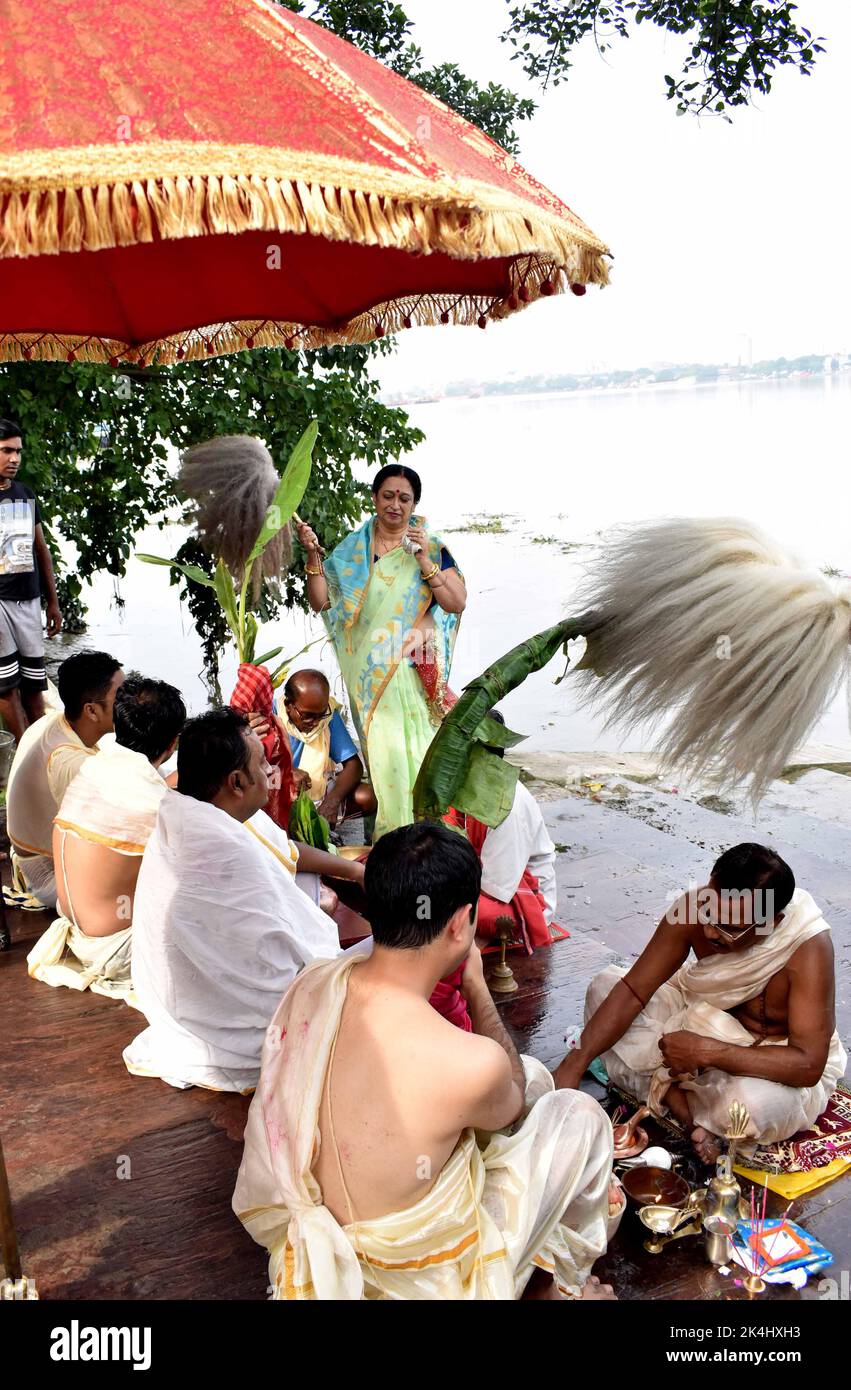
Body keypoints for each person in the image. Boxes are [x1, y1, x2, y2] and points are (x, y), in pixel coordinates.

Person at [233, 821, 618, 1300]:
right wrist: (475, 985)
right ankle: (561, 1287)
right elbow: (512, 1101)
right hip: (413, 1278)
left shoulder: (314, 982)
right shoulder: (472, 1063)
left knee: (534, 1078)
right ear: (460, 923)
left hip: (323, 1226)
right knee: (579, 1115)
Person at [554, 844, 847, 1163]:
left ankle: (674, 1097)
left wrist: (707, 1051)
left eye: (729, 928)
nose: (709, 932)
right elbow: (634, 990)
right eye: (708, 914)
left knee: (747, 1108)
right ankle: (687, 1107)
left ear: (771, 923)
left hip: (764, 1060)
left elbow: (808, 1065)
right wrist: (573, 1064)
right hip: (691, 1022)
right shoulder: (692, 908)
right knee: (604, 989)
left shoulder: (808, 947)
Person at [124, 708, 353, 1091]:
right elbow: (298, 956)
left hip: (180, 1017)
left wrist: (354, 873)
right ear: (236, 782)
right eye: (262, 764)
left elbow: (287, 858)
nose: (271, 772)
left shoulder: (187, 812)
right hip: (246, 1040)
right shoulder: (226, 849)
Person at [297, 465, 465, 839]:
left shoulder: (431, 547)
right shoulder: (352, 552)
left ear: (414, 504)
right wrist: (312, 556)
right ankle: (396, 842)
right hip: (369, 678)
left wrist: (424, 561)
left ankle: (426, 840)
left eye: (404, 498)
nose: (395, 505)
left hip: (410, 671)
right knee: (385, 763)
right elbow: (322, 603)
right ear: (374, 498)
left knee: (417, 755)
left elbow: (456, 603)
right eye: (387, 496)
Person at [26, 675, 186, 1000]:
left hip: (77, 933)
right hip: (117, 950)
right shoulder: (154, 802)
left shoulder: (94, 767)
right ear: (172, 745)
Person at [5, 651, 124, 910]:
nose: (129, 703)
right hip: (46, 875)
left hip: (35, 852)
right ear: (91, 710)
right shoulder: (70, 763)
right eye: (121, 697)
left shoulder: (58, 721)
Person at [446, 708, 561, 951]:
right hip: (474, 883)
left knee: (434, 905)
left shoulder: (508, 805)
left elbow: (495, 890)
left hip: (517, 898)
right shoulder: (466, 786)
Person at [0, 418, 63, 742]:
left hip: (29, 601)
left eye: (18, 452)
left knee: (34, 685)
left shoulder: (25, 494)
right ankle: (25, 750)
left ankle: (41, 750)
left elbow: (41, 549)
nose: (14, 459)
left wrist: (53, 603)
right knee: (5, 686)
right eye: (6, 451)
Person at [279, 669, 372, 825]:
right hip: (279, 792)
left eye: (321, 715)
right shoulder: (270, 716)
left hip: (319, 794)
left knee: (367, 796)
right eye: (308, 716)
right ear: (288, 705)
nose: (316, 722)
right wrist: (287, 773)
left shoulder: (327, 717)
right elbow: (255, 768)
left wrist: (331, 802)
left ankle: (318, 819)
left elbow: (354, 766)